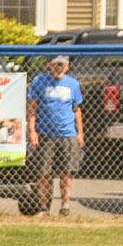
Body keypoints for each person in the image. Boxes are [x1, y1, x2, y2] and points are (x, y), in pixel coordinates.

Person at [30, 53, 84, 216]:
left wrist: (80, 133)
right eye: (55, 65)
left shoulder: (72, 84)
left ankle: (65, 205)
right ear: (49, 65)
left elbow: (77, 110)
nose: (58, 68)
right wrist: (32, 130)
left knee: (66, 172)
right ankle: (43, 207)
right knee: (44, 173)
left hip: (67, 133)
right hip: (45, 134)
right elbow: (32, 107)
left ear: (67, 66)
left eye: (62, 65)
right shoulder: (39, 81)